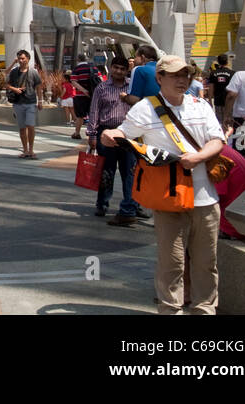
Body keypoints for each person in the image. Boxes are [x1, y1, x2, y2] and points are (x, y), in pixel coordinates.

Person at [101, 54, 225, 314]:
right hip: (169, 199)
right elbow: (124, 132)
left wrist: (200, 157)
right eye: (175, 75)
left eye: (186, 75)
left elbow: (217, 140)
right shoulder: (145, 108)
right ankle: (171, 311)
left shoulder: (200, 105)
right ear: (159, 78)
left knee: (206, 263)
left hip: (206, 200)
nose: (182, 80)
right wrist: (109, 134)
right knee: (172, 264)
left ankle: (205, 310)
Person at [84, 54, 140, 225]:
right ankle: (102, 203)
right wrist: (92, 135)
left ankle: (131, 205)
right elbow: (94, 111)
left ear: (127, 70)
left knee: (129, 171)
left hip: (128, 135)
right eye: (116, 67)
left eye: (123, 69)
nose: (119, 71)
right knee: (106, 171)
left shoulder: (132, 87)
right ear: (111, 68)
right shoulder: (102, 88)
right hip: (106, 133)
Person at [5, 49, 41, 158]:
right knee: (22, 128)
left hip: (31, 102)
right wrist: (14, 89)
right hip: (18, 103)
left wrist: (41, 101)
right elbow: (6, 83)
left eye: (23, 58)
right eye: (19, 58)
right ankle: (25, 150)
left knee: (30, 126)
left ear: (28, 59)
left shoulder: (33, 72)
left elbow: (39, 87)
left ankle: (31, 150)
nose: (21, 60)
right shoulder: (14, 71)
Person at [206, 54, 233, 119]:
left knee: (220, 121)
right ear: (227, 61)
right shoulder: (232, 73)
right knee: (229, 121)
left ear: (218, 61)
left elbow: (211, 88)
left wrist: (210, 100)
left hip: (218, 101)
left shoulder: (213, 73)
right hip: (229, 102)